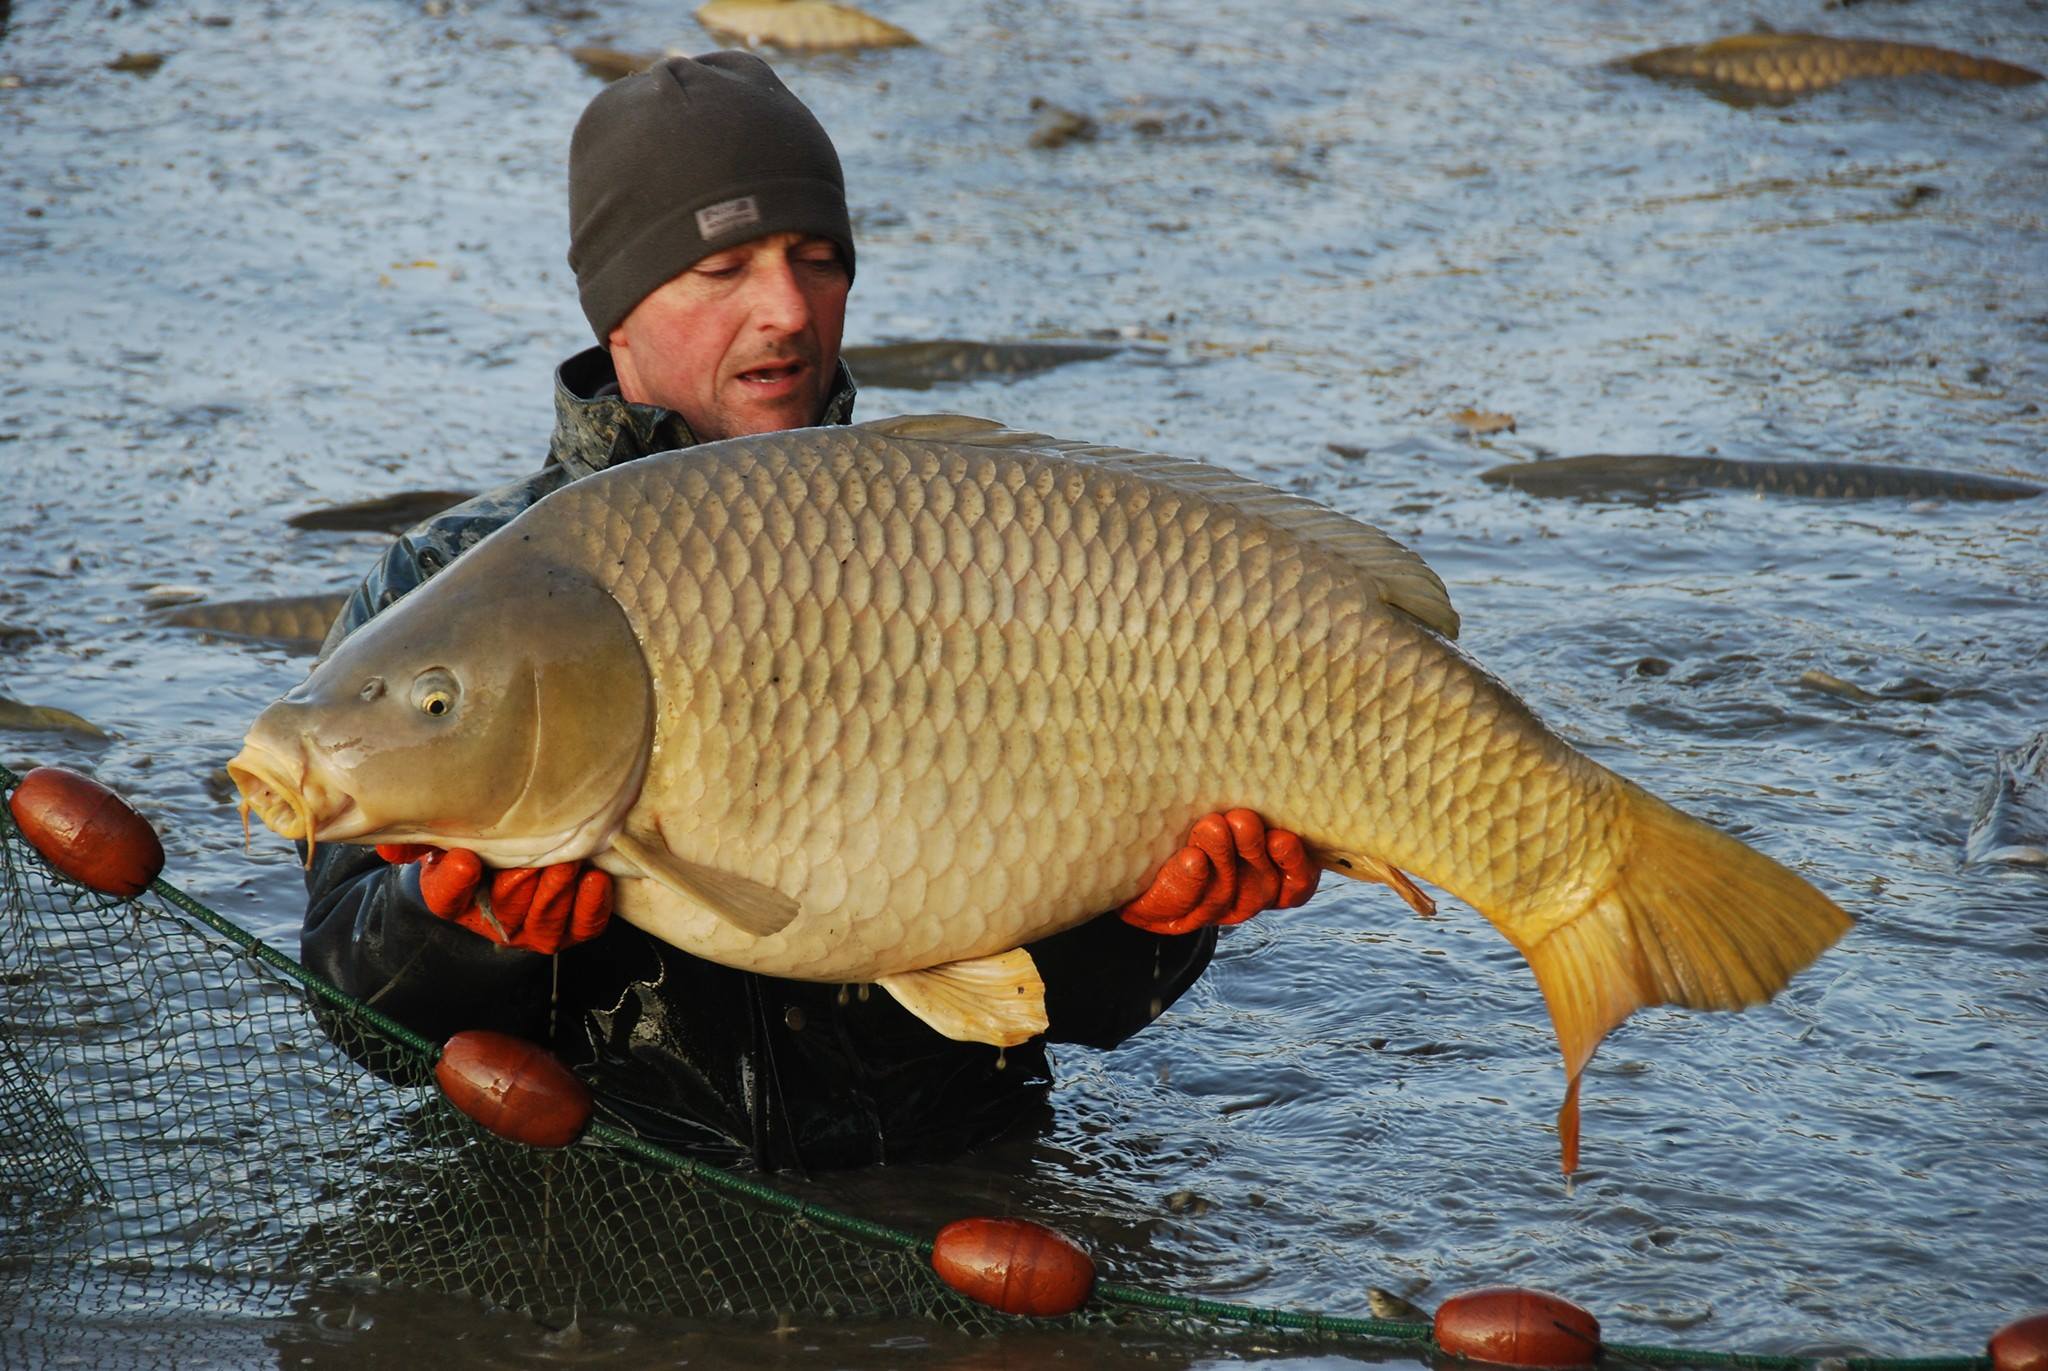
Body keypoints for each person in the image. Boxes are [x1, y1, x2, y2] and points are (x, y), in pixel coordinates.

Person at [300, 51, 1318, 1171]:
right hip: (585, 1199)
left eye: (816, 259)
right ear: (620, 311)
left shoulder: (977, 539)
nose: (785, 308)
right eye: (724, 266)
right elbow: (359, 1018)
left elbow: (1077, 1010)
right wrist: (462, 933)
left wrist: (1160, 914)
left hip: (944, 1185)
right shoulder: (444, 588)